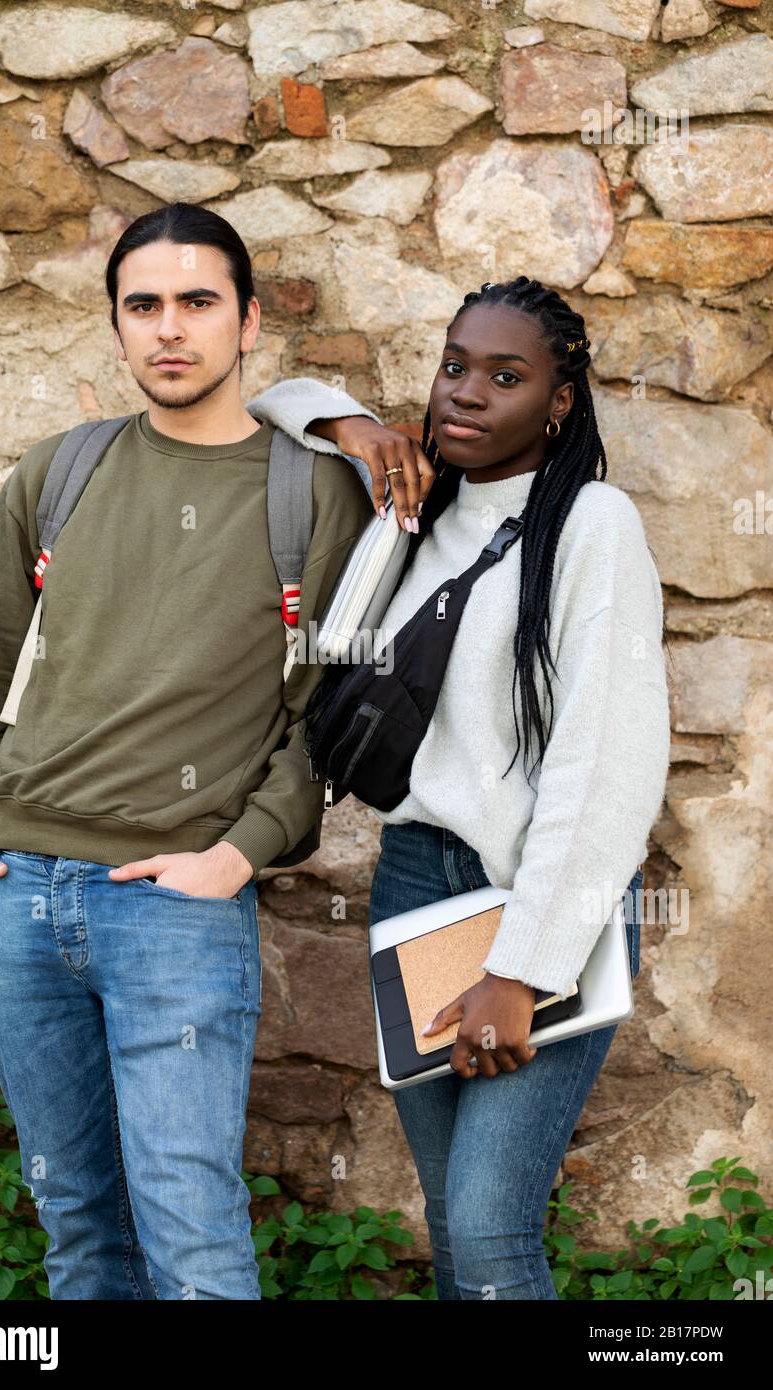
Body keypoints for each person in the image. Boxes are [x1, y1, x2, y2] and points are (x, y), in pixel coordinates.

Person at [0, 202, 393, 1300]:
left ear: (246, 326)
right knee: (79, 1225)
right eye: (143, 305)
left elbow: (321, 713)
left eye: (197, 302)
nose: (169, 328)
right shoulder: (61, 471)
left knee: (190, 1236)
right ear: (116, 325)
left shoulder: (315, 493)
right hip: (14, 891)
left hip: (174, 906)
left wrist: (236, 856)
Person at [248, 276, 671, 1300]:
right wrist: (353, 425)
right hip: (411, 888)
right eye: (453, 366)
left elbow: (605, 758)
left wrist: (523, 968)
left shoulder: (590, 525)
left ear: (557, 403)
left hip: (534, 899)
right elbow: (275, 398)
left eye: (504, 376)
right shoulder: (412, 504)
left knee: (487, 1230)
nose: (466, 394)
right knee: (449, 1229)